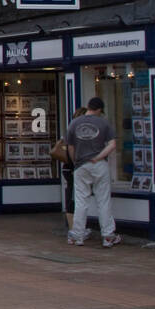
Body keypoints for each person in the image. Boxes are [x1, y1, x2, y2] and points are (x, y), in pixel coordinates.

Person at [64, 96, 120, 247]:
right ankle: (108, 235)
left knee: (81, 201)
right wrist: (99, 156)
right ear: (100, 109)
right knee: (103, 200)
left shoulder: (74, 123)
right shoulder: (104, 123)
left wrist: (76, 161)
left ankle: (77, 235)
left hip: (81, 165)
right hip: (99, 164)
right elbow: (112, 144)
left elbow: (70, 146)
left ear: (88, 107)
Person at [57, 106, 86, 230]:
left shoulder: (71, 130)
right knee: (73, 198)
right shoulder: (77, 132)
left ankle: (74, 228)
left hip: (68, 168)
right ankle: (74, 229)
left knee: (72, 196)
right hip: (73, 168)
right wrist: (76, 164)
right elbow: (71, 149)